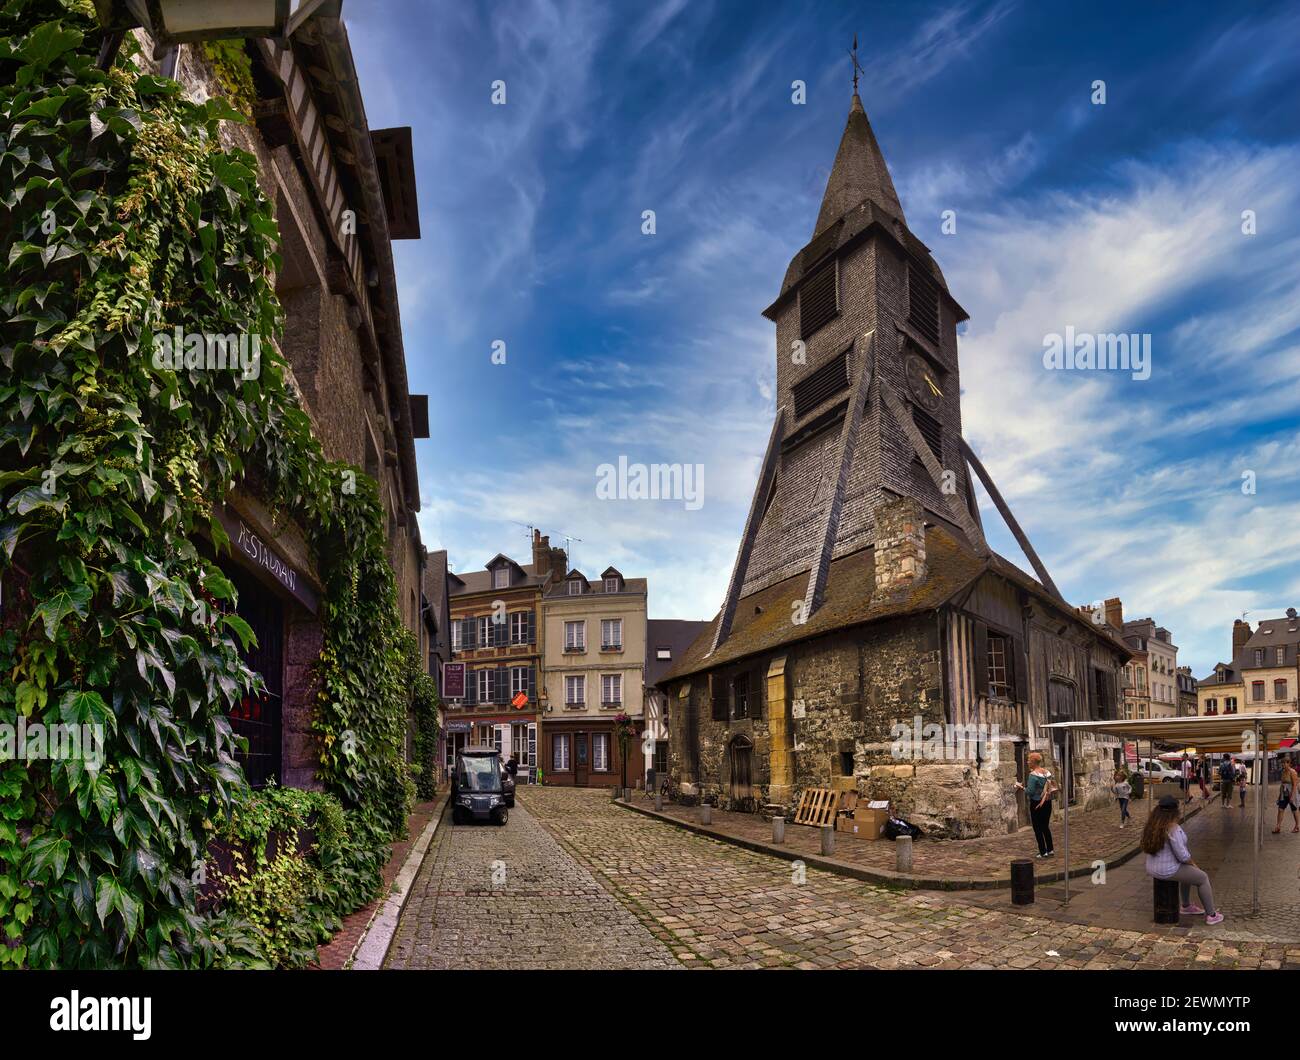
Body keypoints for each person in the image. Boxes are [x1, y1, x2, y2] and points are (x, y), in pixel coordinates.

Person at [1142, 795, 1224, 925]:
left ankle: (1186, 906)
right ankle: (1212, 915)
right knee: (1202, 878)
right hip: (1167, 870)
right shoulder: (1173, 828)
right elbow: (1183, 856)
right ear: (1175, 812)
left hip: (1152, 867)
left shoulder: (1152, 825)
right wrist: (1194, 865)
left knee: (1188, 873)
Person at [1015, 752, 1057, 858]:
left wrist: (1021, 787)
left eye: (1029, 760)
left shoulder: (1033, 775)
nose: (1027, 762)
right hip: (1047, 802)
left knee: (1037, 828)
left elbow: (1030, 792)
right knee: (1045, 826)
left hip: (1036, 803)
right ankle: (1050, 849)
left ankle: (1043, 851)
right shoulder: (1047, 772)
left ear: (1033, 762)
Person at [1273, 757, 1299, 833]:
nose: (1283, 765)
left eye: (1284, 763)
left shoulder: (1293, 772)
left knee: (1294, 810)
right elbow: (1282, 784)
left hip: (1291, 793)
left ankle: (1297, 826)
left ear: (1289, 763)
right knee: (1280, 809)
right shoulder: (1283, 772)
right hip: (1284, 794)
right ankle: (1278, 827)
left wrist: (1293, 796)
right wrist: (1279, 795)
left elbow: (1294, 785)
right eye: (1282, 763)